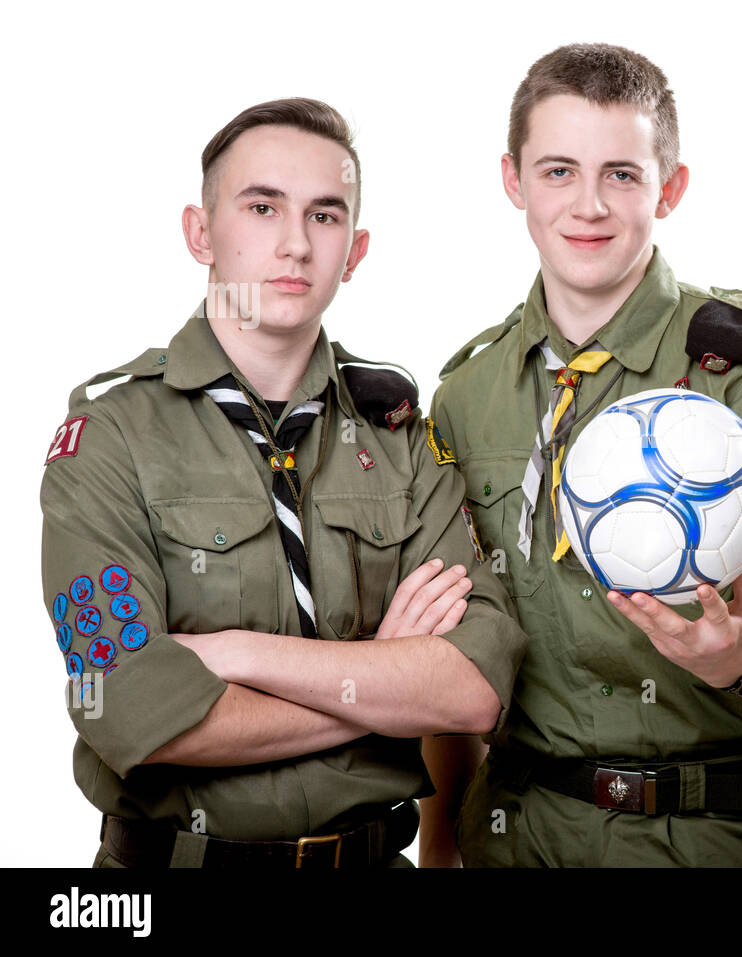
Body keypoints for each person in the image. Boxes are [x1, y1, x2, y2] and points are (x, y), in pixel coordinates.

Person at [40, 98, 528, 868]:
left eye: (325, 216)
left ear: (356, 249)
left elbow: (469, 687)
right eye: (263, 206)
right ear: (201, 232)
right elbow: (132, 708)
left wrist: (234, 653)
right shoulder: (110, 436)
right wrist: (380, 691)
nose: (296, 244)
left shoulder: (400, 435)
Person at [424, 43, 742, 867]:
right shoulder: (465, 392)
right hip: (514, 833)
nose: (588, 204)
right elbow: (452, 647)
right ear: (513, 180)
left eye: (622, 174)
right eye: (558, 171)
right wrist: (440, 849)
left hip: (710, 834)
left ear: (670, 186)